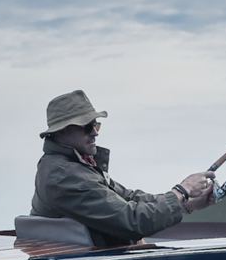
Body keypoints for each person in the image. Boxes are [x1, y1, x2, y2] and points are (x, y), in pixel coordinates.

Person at [32, 90, 215, 245]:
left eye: (96, 125)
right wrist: (183, 190)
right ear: (63, 131)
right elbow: (133, 221)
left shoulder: (76, 166)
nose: (95, 132)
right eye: (87, 127)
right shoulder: (64, 175)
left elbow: (129, 197)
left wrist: (186, 204)